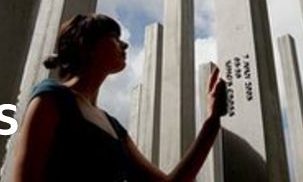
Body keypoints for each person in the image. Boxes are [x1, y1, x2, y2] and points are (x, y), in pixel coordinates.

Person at [13, 13, 228, 182]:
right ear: (86, 45)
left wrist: (212, 121)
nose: (124, 45)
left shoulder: (114, 127)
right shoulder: (52, 98)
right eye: (114, 38)